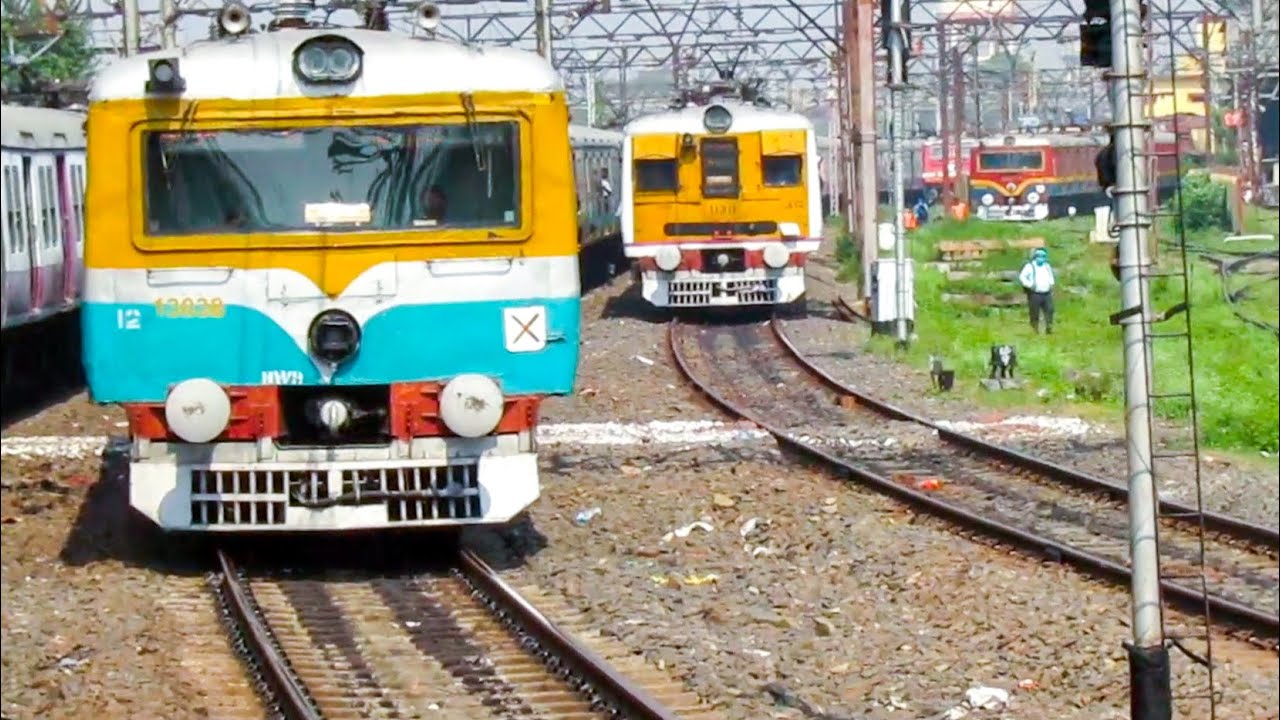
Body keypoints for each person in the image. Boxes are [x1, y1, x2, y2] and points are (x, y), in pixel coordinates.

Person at [1019, 247, 1056, 334]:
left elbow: (1051, 276)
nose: (1041, 258)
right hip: (1035, 293)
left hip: (1046, 293)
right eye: (1039, 256)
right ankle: (1035, 329)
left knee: (1049, 310)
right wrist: (1030, 285)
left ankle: (1049, 327)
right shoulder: (1030, 266)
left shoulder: (1047, 266)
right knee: (1034, 312)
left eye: (1043, 256)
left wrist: (1051, 284)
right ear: (1035, 256)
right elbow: (1022, 277)